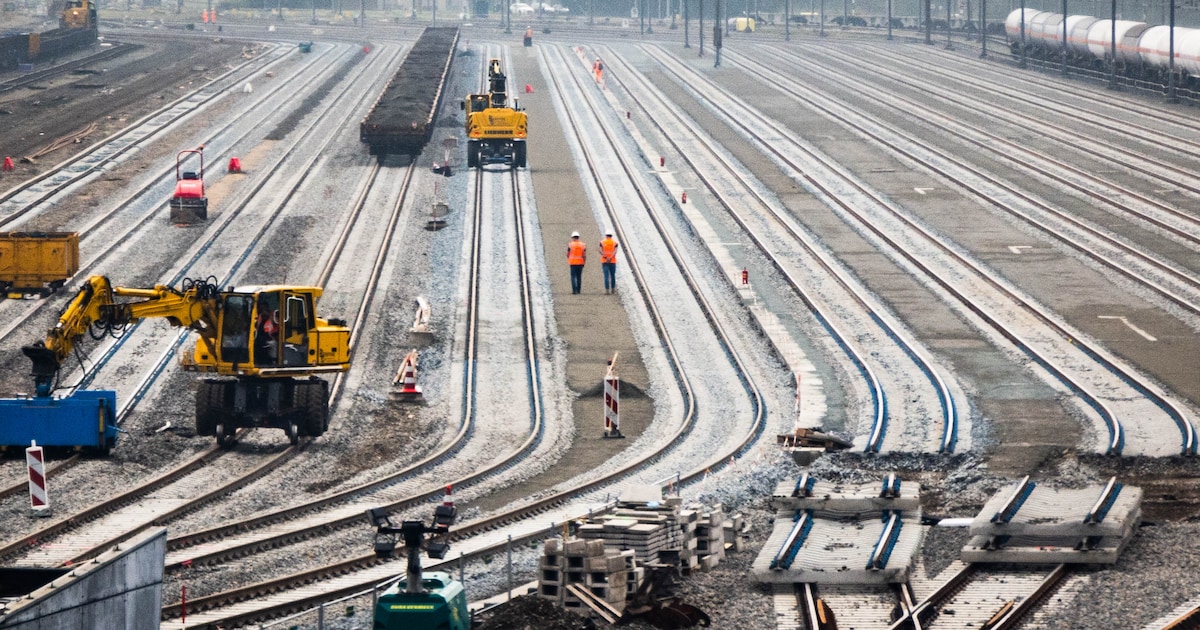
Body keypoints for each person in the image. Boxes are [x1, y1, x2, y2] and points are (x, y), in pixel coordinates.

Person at [600, 230, 619, 294]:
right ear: (611, 235)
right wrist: (610, 257)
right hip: (612, 261)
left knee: (606, 275)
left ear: (606, 235)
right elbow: (615, 251)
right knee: (613, 275)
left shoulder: (602, 242)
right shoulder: (615, 243)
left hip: (605, 261)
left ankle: (607, 290)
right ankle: (613, 289)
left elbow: (601, 251)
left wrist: (606, 257)